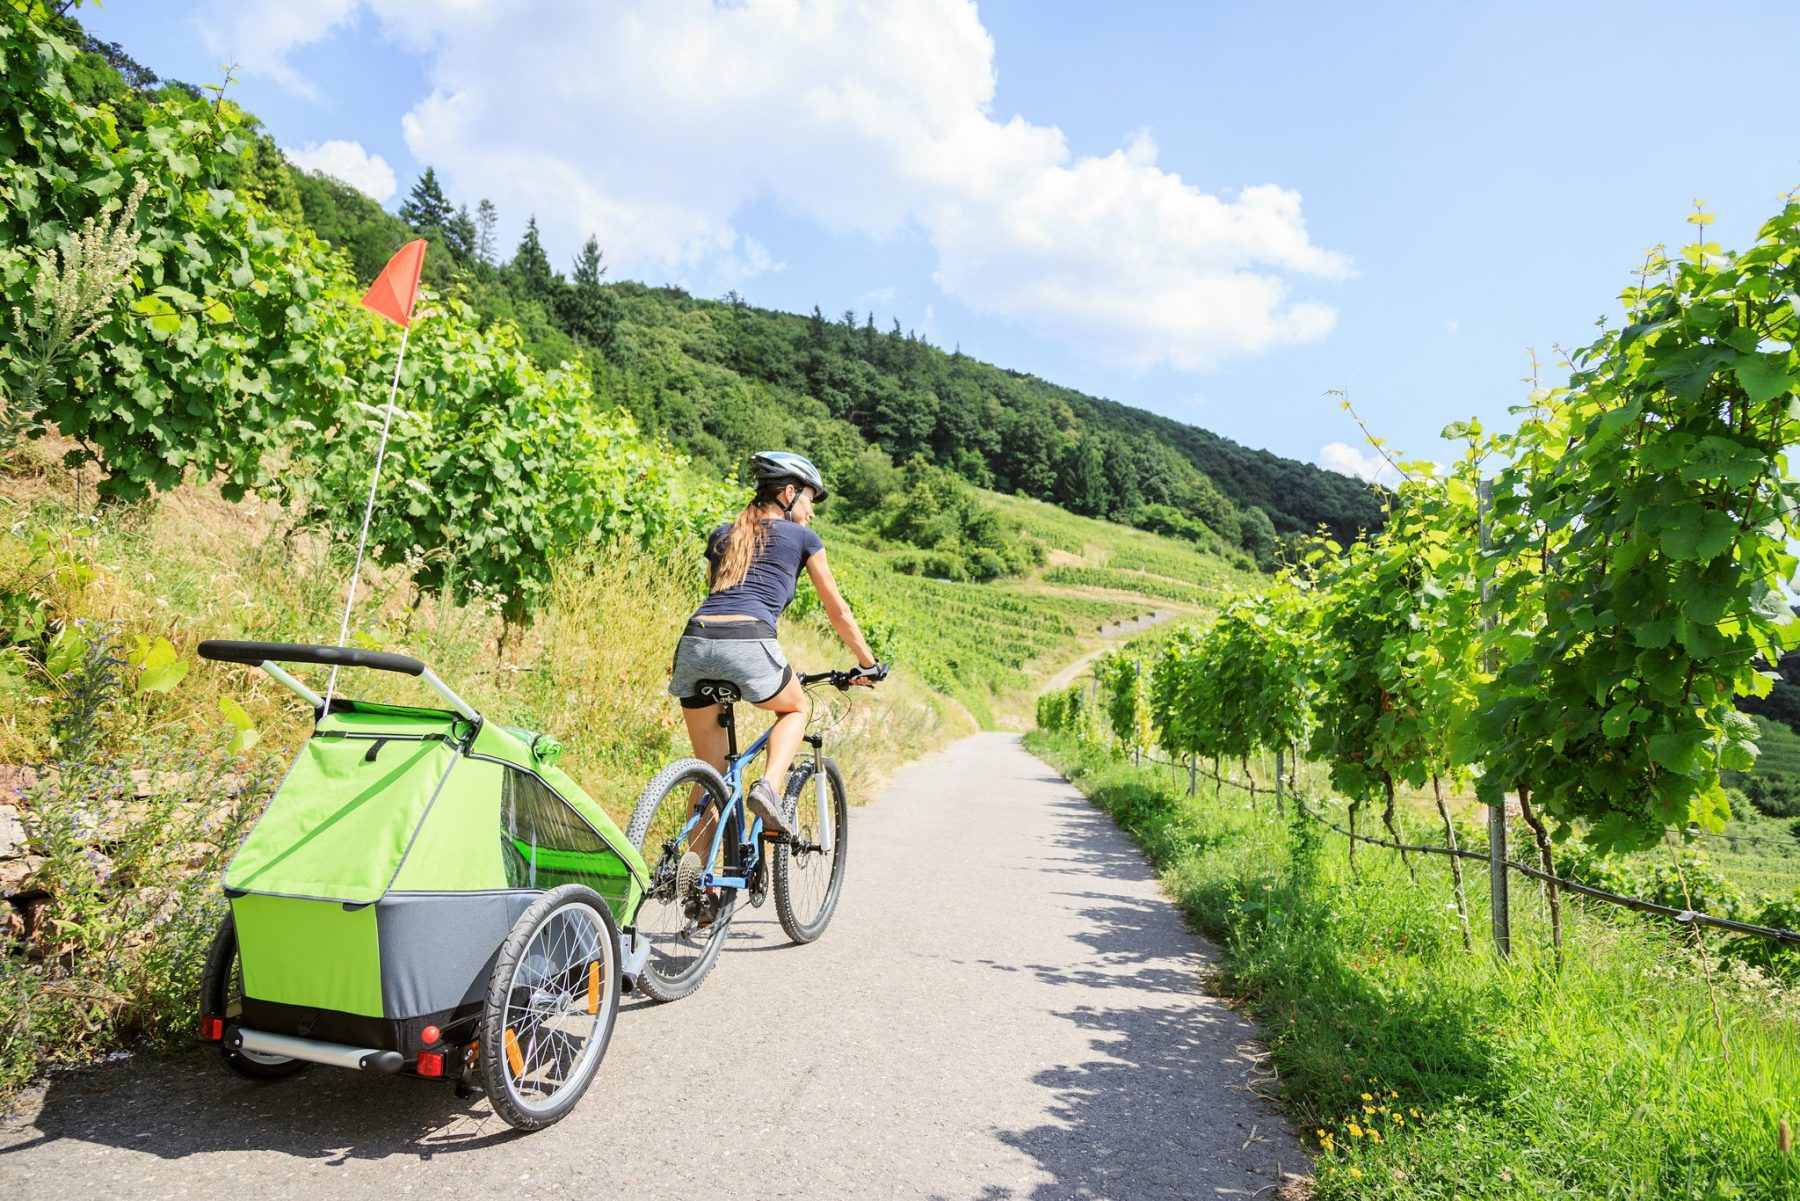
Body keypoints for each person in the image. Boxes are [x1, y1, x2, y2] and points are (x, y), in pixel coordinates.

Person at [667, 451, 881, 845]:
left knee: (710, 770)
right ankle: (768, 787)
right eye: (809, 501)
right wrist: (868, 664)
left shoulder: (722, 533)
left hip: (695, 640)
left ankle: (699, 884)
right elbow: (838, 611)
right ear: (788, 493)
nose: (812, 513)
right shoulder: (803, 538)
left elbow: (718, 596)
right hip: (748, 641)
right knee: (796, 706)